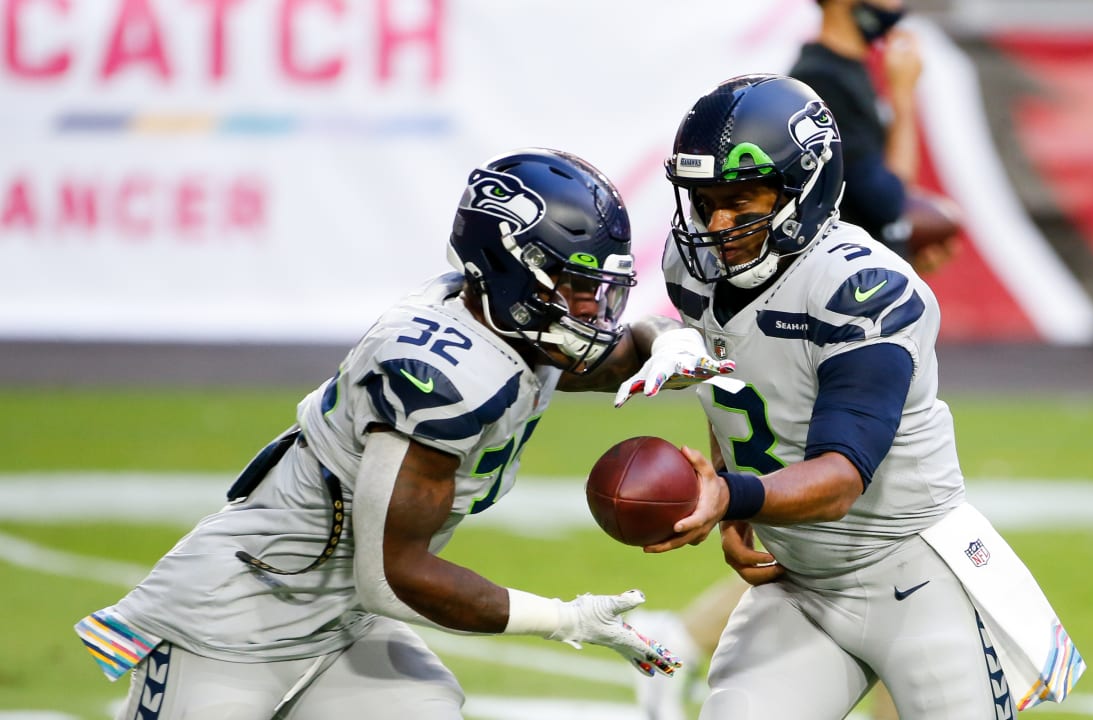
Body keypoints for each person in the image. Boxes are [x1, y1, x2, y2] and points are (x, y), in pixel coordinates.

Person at [72, 147, 739, 719]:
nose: (593, 309)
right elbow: (392, 578)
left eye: (602, 288)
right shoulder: (438, 374)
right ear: (511, 271)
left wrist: (670, 344)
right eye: (574, 286)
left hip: (338, 623)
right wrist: (565, 620)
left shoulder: (515, 324)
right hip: (235, 620)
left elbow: (621, 356)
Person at [623, 74, 1084, 719]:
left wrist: (731, 495)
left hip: (918, 578)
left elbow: (841, 478)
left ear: (802, 191)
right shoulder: (694, 268)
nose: (718, 223)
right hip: (799, 583)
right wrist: (736, 505)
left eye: (741, 199)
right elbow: (742, 383)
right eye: (704, 200)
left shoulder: (863, 289)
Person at [791, 0, 956, 274]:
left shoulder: (849, 70)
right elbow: (888, 202)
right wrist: (903, 98)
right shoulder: (821, 81)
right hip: (845, 286)